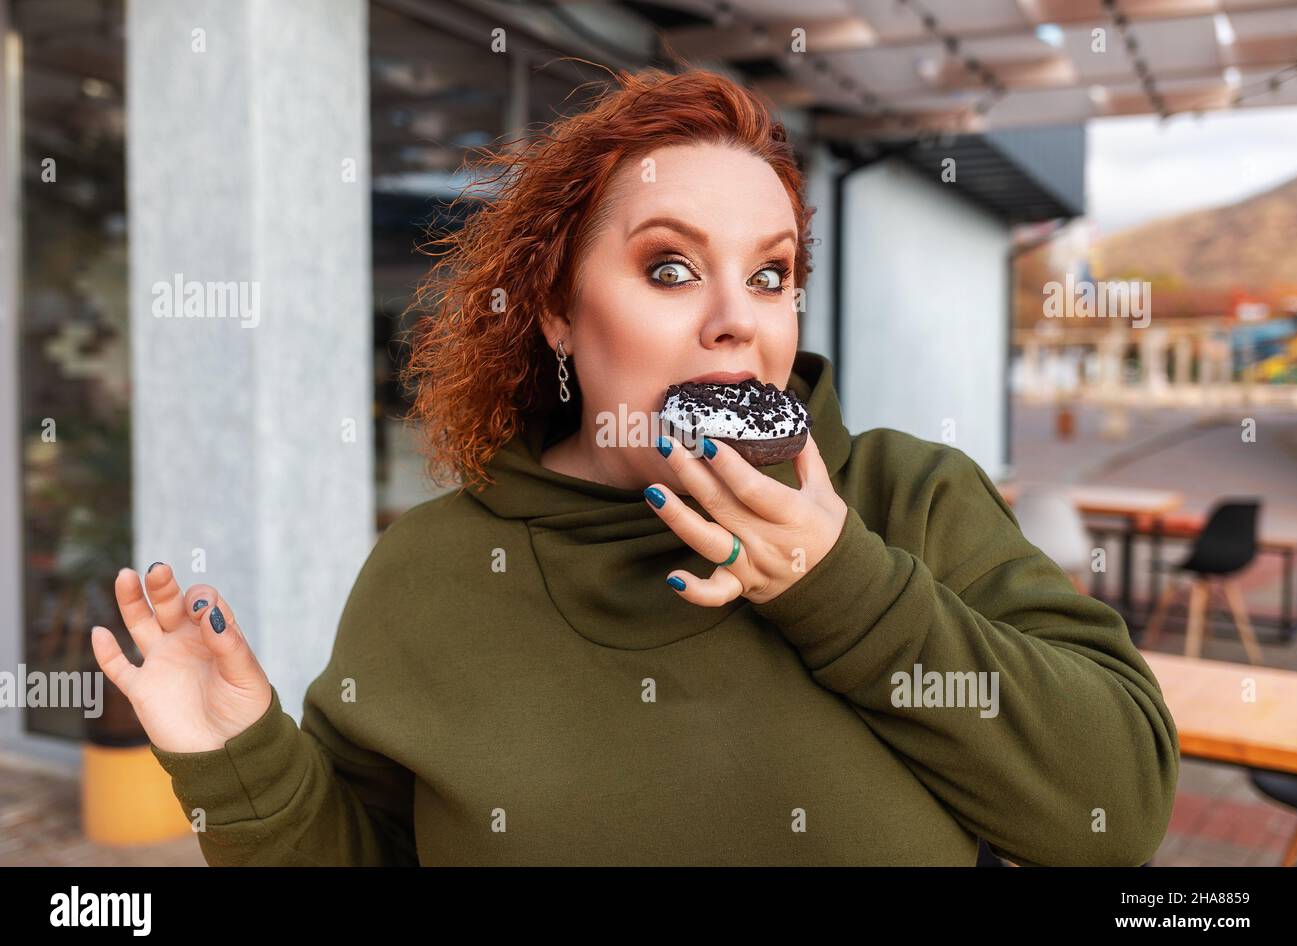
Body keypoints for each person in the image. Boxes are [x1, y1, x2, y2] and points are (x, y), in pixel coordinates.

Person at [91, 66, 1179, 866]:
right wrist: (240, 759)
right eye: (669, 267)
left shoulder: (910, 498)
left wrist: (840, 584)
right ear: (559, 311)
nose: (733, 324)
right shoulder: (429, 572)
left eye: (770, 275)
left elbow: (1116, 806)